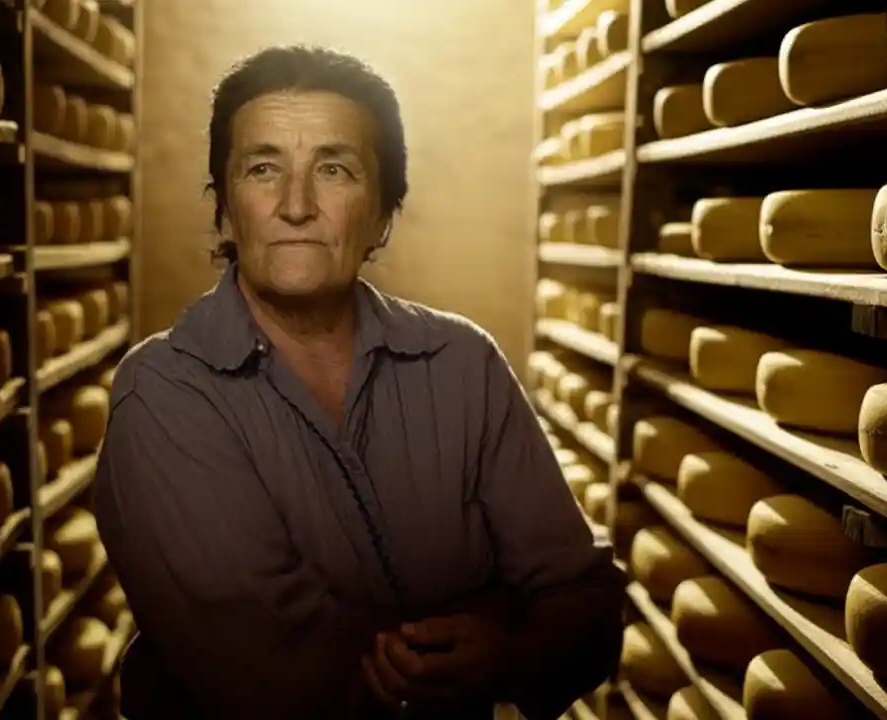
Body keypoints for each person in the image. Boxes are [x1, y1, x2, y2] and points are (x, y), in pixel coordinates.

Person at [93, 45, 625, 719]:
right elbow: (275, 674)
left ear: (382, 214)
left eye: (335, 169)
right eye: (263, 169)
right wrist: (491, 609)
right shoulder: (163, 394)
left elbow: (587, 603)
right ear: (226, 209)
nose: (295, 205)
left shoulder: (463, 364)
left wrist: (511, 654)